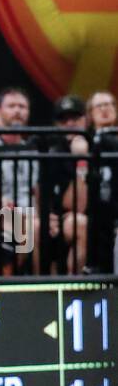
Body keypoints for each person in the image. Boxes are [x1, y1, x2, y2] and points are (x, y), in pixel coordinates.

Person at [0, 87, 39, 277]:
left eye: (22, 107)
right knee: (18, 221)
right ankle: (6, 278)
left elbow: (35, 190)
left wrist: (43, 215)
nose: (17, 111)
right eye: (11, 106)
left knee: (37, 223)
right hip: (0, 210)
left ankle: (44, 284)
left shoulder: (32, 150)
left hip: (29, 211)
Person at [37, 95, 89, 274]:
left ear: (85, 120)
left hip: (104, 217)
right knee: (78, 222)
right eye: (64, 119)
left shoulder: (99, 145)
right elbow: (75, 206)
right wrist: (81, 162)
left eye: (75, 118)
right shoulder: (53, 153)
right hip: (65, 218)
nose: (70, 123)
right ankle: (67, 288)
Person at [87, 91, 118, 271]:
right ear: (90, 114)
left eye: (109, 104)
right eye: (100, 105)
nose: (105, 109)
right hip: (97, 210)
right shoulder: (85, 142)